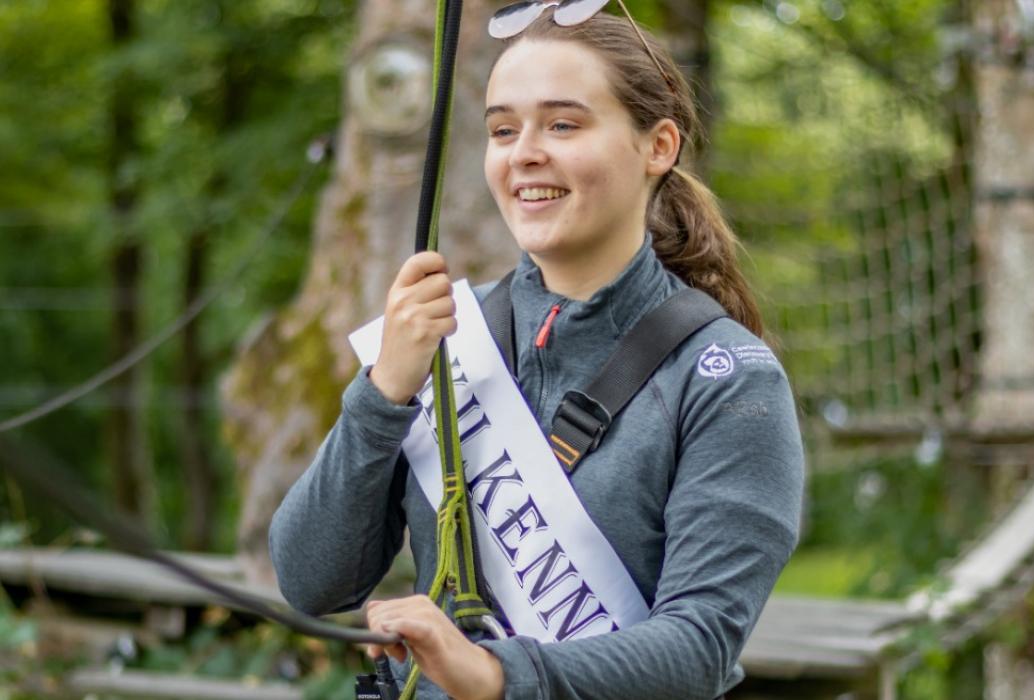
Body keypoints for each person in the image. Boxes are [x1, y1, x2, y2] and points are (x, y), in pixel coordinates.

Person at [269, 4, 804, 699]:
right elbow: (312, 582)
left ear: (659, 146)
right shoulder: (441, 337)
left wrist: (495, 676)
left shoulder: (727, 379)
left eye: (563, 124)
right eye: (501, 129)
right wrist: (383, 392)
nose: (524, 152)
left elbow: (698, 647)